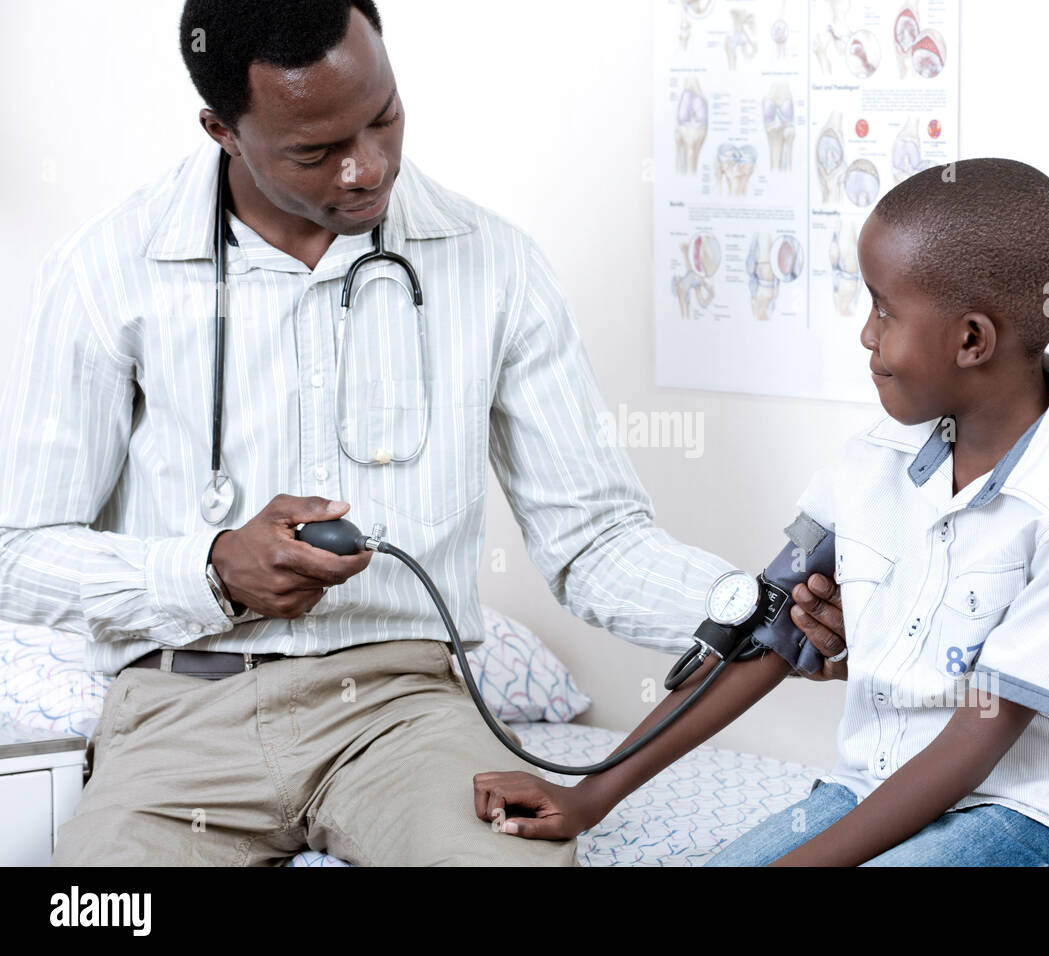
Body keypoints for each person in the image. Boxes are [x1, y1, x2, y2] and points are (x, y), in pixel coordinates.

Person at [0, 0, 847, 866]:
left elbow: (593, 542)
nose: (367, 169)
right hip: (180, 716)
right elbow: (16, 555)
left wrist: (766, 613)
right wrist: (211, 568)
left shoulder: (495, 264)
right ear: (224, 130)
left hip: (404, 711)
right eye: (316, 151)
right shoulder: (104, 273)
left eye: (384, 118)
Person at [473, 158, 1049, 867]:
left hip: (1030, 817)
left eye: (884, 309)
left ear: (971, 340)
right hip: (873, 787)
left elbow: (976, 741)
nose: (867, 336)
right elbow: (762, 633)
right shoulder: (872, 460)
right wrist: (593, 795)